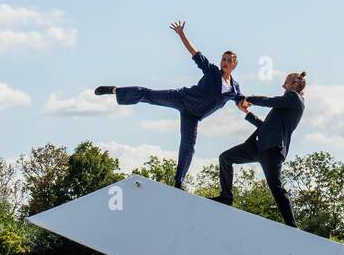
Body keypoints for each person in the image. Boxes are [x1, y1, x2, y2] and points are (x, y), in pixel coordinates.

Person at [95, 21, 244, 188]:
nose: (225, 61)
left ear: (234, 65)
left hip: (193, 116)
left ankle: (178, 182)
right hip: (181, 98)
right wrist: (181, 34)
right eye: (223, 59)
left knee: (188, 146)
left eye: (229, 60)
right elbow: (194, 52)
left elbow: (240, 101)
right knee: (149, 95)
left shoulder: (234, 88)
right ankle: (115, 90)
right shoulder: (212, 71)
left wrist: (246, 107)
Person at [213, 72, 307, 227]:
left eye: (286, 82)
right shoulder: (287, 103)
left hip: (272, 150)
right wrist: (247, 113)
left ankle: (291, 225)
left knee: (275, 186)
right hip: (257, 146)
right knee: (225, 158)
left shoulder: (295, 99)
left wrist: (249, 99)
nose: (283, 85)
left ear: (295, 85)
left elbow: (269, 101)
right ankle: (226, 197)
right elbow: (266, 127)